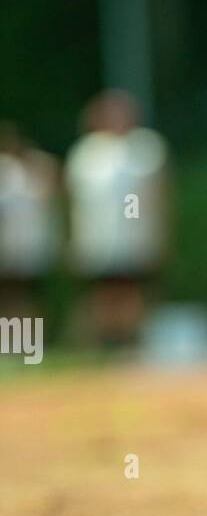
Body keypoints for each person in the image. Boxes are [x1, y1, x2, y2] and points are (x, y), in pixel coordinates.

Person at [65, 90, 170, 348]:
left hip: (135, 239)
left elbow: (160, 197)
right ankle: (97, 346)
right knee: (100, 296)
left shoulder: (146, 148)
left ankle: (132, 344)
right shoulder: (86, 154)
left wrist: (162, 236)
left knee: (134, 294)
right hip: (97, 240)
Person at [0, 122, 61, 321]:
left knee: (28, 294)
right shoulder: (6, 170)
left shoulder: (37, 167)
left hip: (31, 246)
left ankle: (29, 338)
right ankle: (13, 337)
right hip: (9, 246)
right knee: (11, 294)